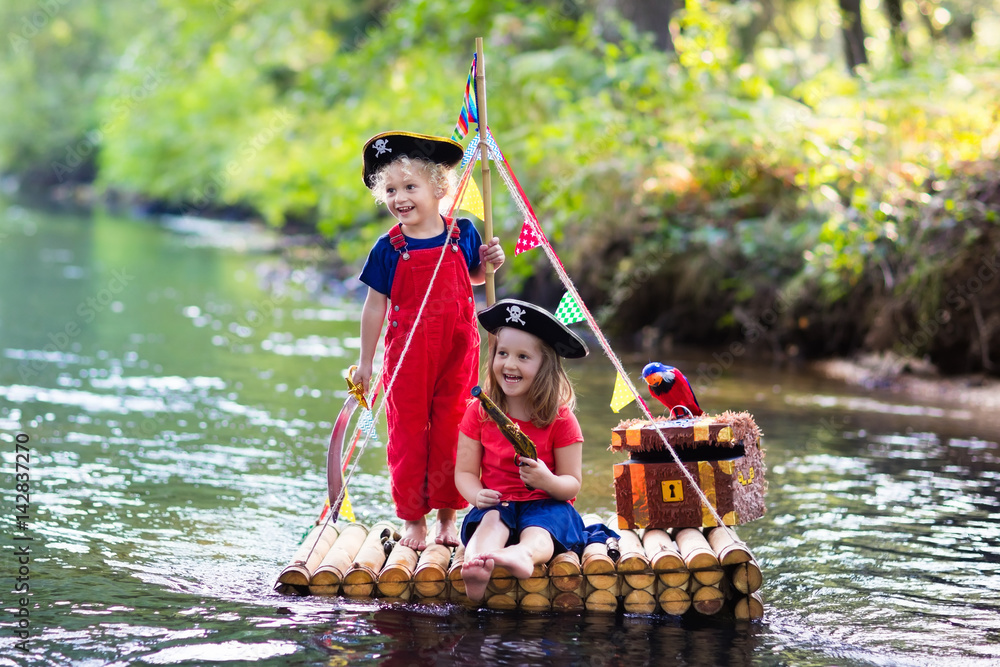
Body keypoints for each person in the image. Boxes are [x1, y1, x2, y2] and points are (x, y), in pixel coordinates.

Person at [353, 131, 505, 551]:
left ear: (439, 189)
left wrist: (491, 262)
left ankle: (446, 516)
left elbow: (473, 275)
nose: (399, 197)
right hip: (408, 354)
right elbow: (373, 307)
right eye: (391, 190)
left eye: (409, 187)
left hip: (458, 348)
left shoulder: (464, 231)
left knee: (455, 428)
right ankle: (413, 519)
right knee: (408, 434)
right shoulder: (388, 248)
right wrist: (366, 363)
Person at [455, 299, 618, 602]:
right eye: (502, 353)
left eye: (523, 357)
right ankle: (476, 563)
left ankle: (523, 554)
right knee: (490, 518)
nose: (510, 364)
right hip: (498, 503)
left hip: (546, 506)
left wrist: (547, 481)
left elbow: (572, 483)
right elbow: (464, 472)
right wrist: (476, 494)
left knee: (544, 527)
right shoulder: (479, 412)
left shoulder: (561, 419)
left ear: (545, 365)